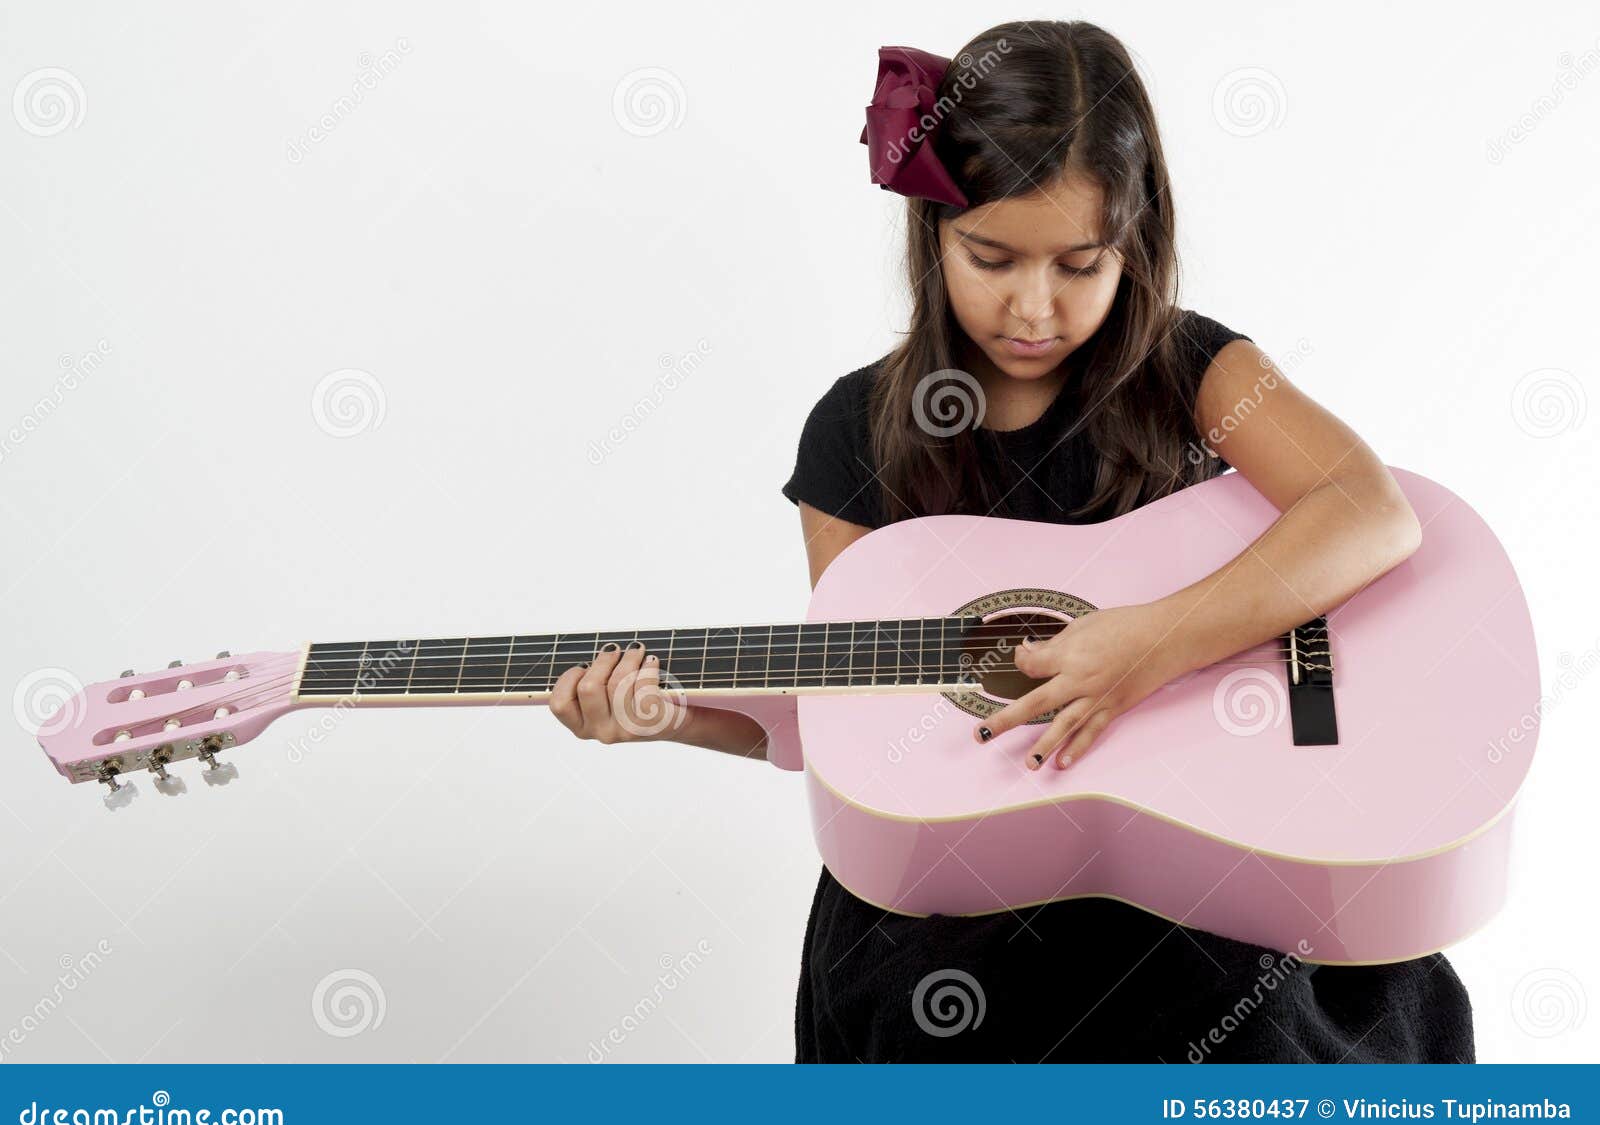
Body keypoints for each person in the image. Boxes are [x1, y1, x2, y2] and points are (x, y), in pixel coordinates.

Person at [549, 19, 1476, 1063]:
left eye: (1080, 265)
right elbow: (847, 718)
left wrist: (1149, 643)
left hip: (1222, 841)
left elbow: (1367, 509)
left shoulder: (1188, 369)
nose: (1033, 308)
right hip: (968, 883)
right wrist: (667, 715)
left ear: (1136, 239)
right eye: (990, 257)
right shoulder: (857, 431)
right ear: (931, 232)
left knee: (1238, 1007)